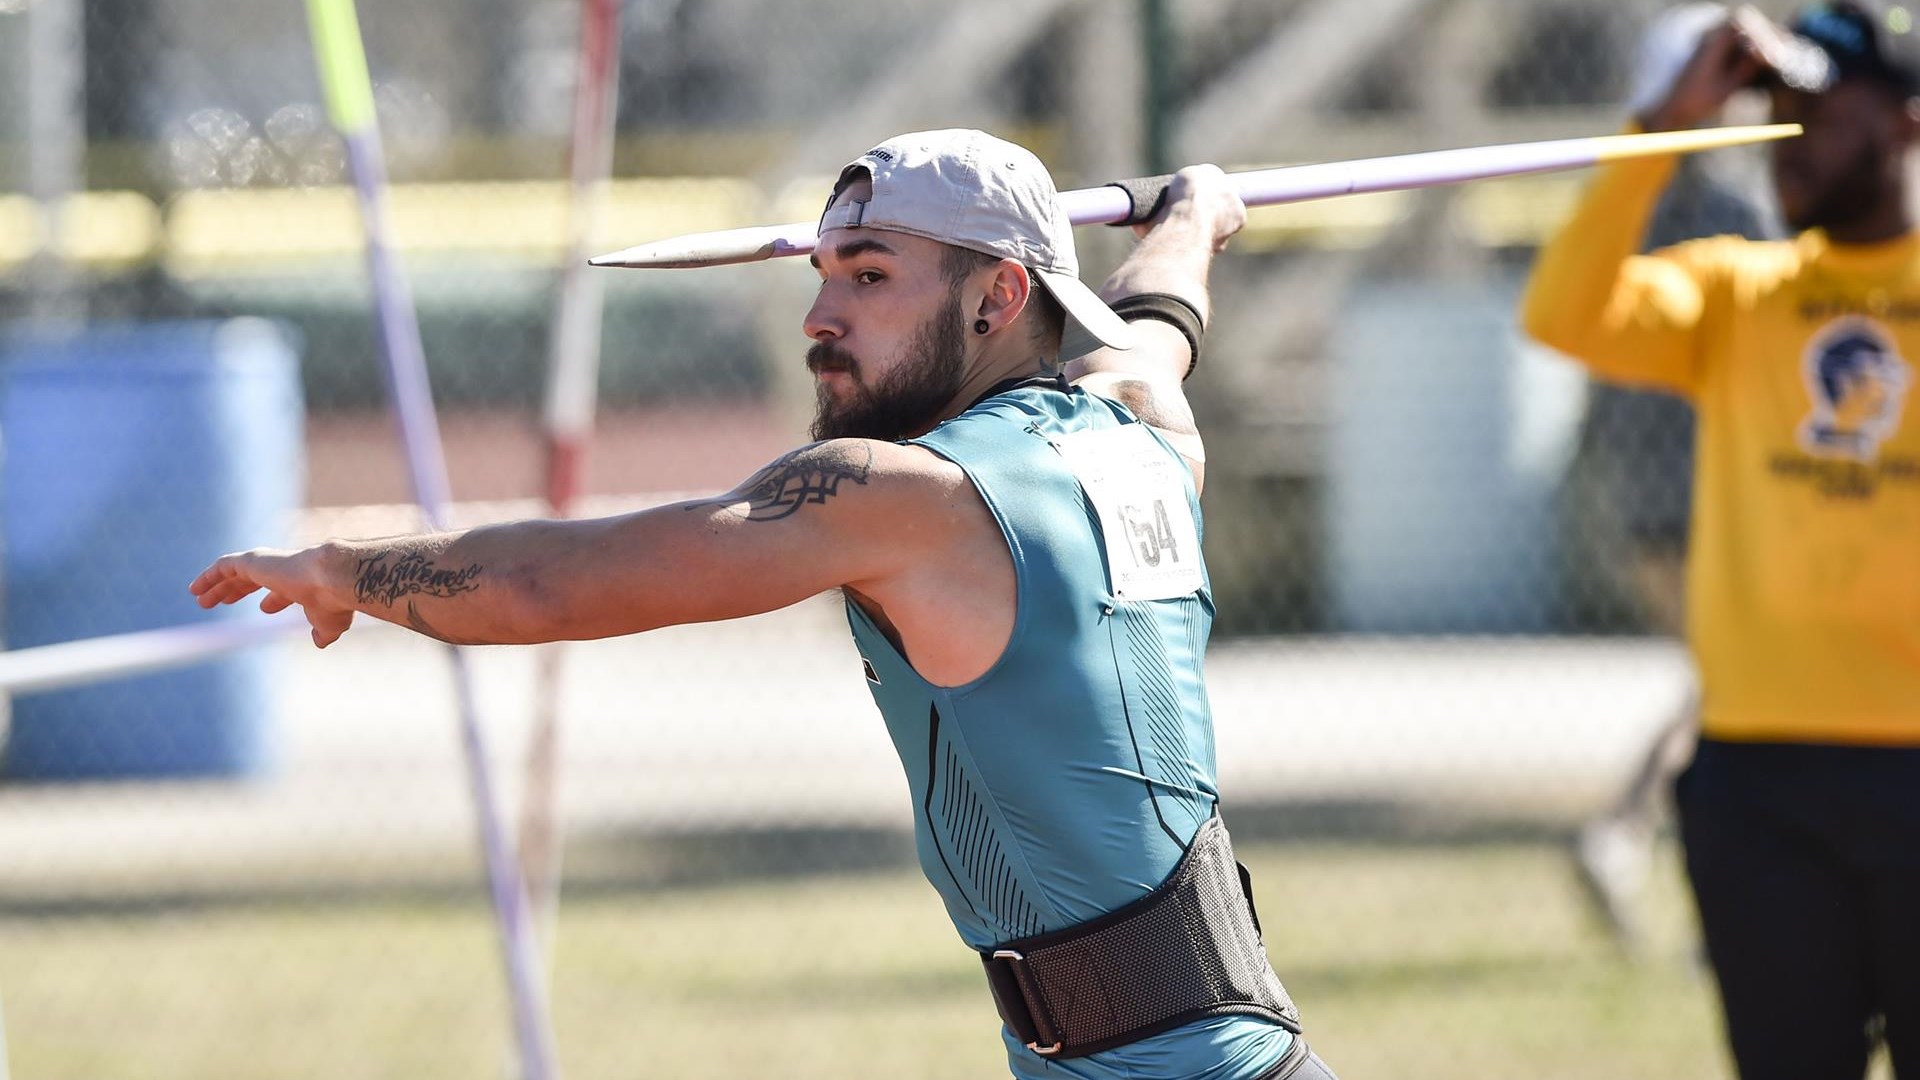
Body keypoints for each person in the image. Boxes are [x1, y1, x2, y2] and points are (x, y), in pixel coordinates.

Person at [191, 129, 1339, 1080]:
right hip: (1213, 1048)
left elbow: (557, 582)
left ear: (999, 296)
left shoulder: (913, 497)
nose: (819, 318)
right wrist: (1193, 218)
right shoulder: (1142, 436)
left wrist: (344, 571)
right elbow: (1153, 326)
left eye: (872, 276)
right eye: (825, 273)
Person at [1522, 4, 1920, 1078]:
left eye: (1820, 109)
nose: (1787, 136)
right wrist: (1663, 124)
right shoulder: (1740, 291)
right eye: (1771, 110)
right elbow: (1565, 312)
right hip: (1760, 784)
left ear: (1904, 124)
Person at [1563, 2, 1774, 951]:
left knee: (1723, 685)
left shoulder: (1625, 207)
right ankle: (1627, 835)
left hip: (1636, 494)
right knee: (1735, 691)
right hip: (1719, 497)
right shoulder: (1738, 215)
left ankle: (1636, 842)